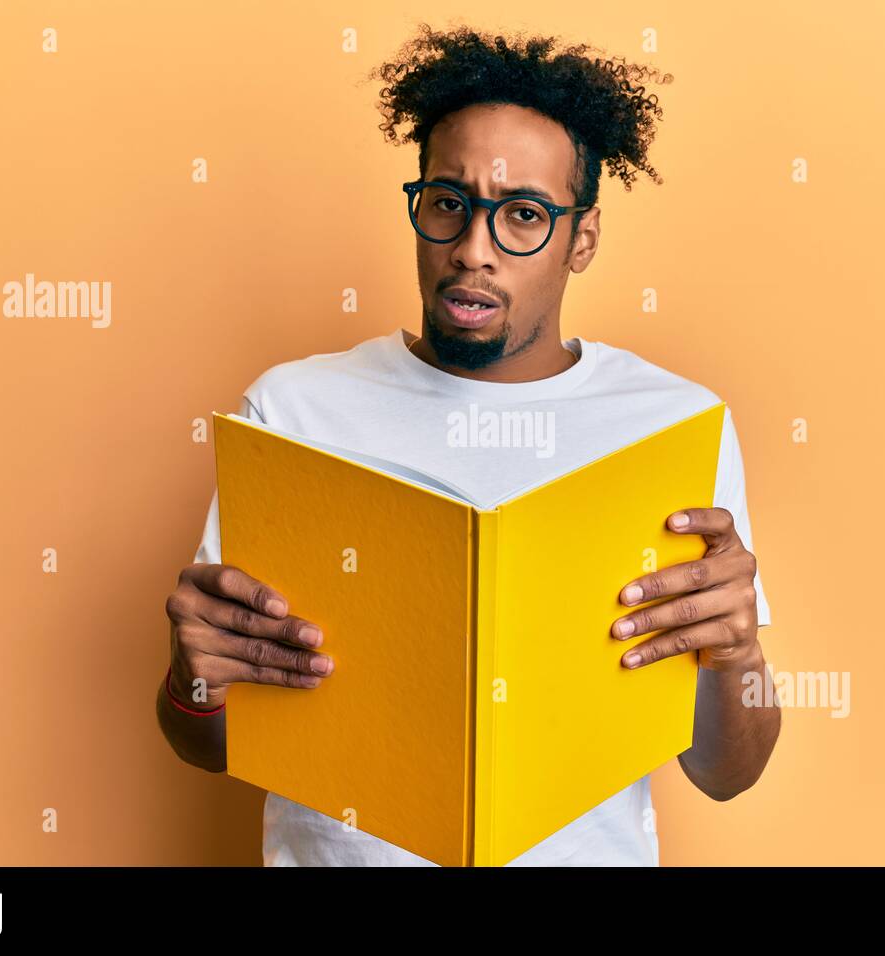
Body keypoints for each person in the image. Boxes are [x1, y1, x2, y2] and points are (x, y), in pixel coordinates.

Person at [157, 23, 779, 866]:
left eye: (524, 214)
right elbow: (208, 742)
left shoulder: (673, 426)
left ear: (581, 239)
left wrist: (736, 651)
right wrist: (193, 676)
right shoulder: (294, 411)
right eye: (450, 203)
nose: (474, 251)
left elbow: (728, 773)